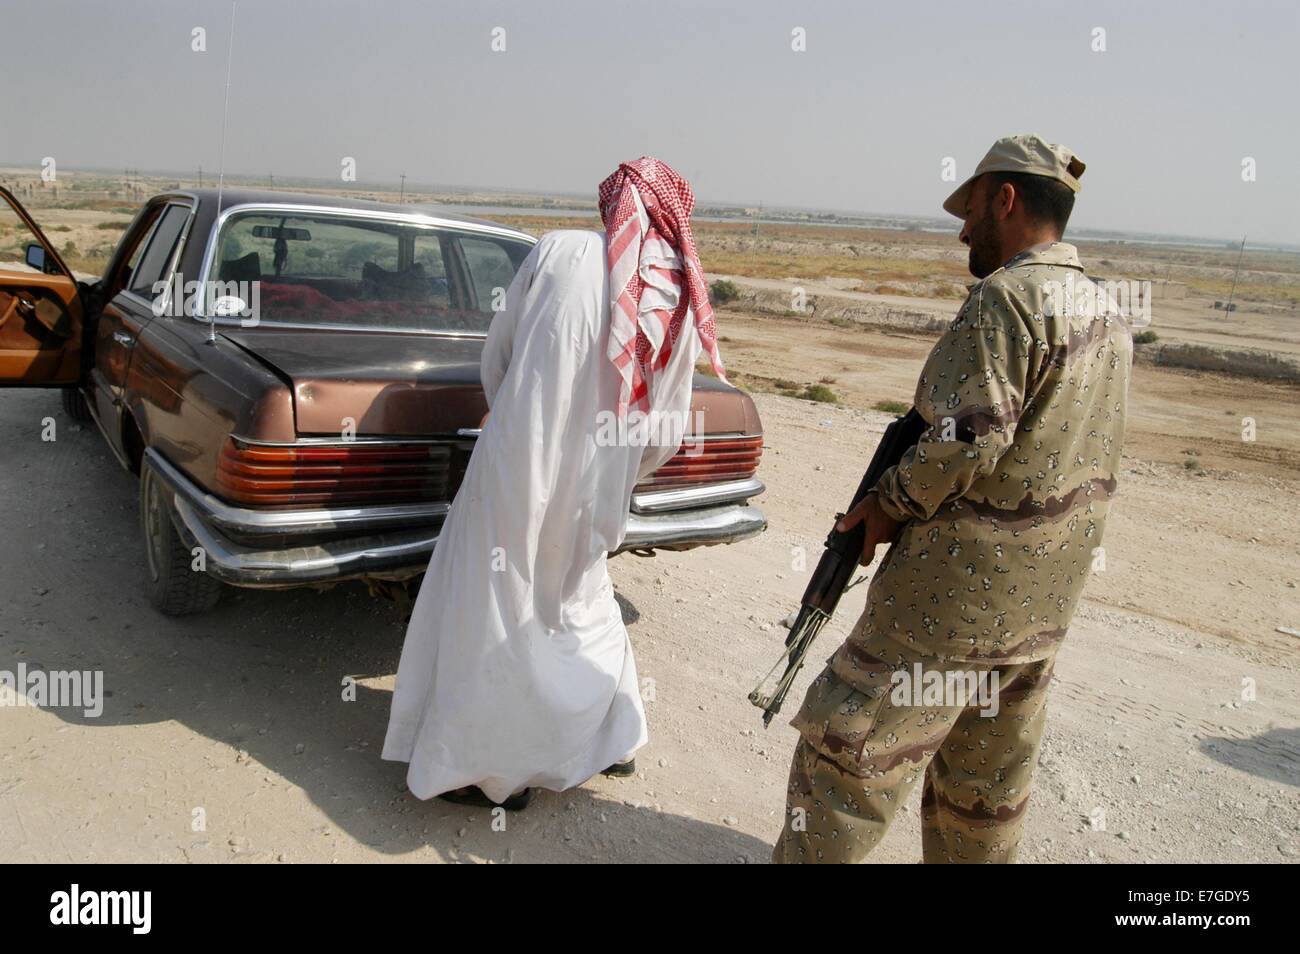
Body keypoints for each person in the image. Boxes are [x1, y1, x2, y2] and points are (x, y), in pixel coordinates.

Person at [773, 134, 1133, 863]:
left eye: (970, 210)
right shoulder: (1105, 310)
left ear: (1005, 199)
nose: (963, 228)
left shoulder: (1004, 301)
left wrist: (885, 505)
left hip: (944, 612)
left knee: (844, 771)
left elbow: (966, 440)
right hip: (1037, 615)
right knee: (981, 804)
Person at [383, 157, 726, 810]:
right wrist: (619, 470)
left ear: (613, 205)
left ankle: (494, 776)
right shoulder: (675, 293)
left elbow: (498, 360)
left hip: (519, 462)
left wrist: (521, 426)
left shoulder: (560, 251)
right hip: (601, 478)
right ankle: (610, 736)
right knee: (578, 596)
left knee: (498, 604)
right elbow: (669, 424)